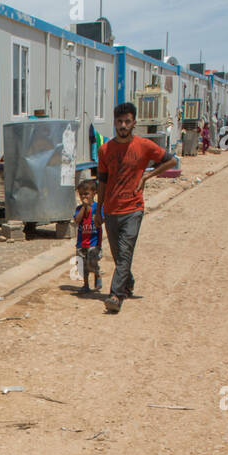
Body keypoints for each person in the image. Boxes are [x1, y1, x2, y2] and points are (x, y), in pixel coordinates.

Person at [96, 102, 177, 314]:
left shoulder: (144, 146)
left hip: (133, 209)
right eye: (119, 121)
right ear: (114, 122)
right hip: (111, 210)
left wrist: (147, 175)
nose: (123, 125)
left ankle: (115, 295)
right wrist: (98, 210)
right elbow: (102, 181)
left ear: (134, 123)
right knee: (118, 254)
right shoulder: (105, 150)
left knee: (124, 254)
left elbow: (171, 161)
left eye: (127, 121)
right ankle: (127, 282)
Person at [72, 179, 103, 294]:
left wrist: (91, 210)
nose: (83, 196)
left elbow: (100, 221)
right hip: (81, 242)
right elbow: (77, 220)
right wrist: (84, 208)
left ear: (94, 193)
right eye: (81, 194)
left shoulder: (97, 208)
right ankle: (86, 285)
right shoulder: (79, 209)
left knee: (92, 261)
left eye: (86, 194)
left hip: (94, 242)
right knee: (82, 265)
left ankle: (97, 274)